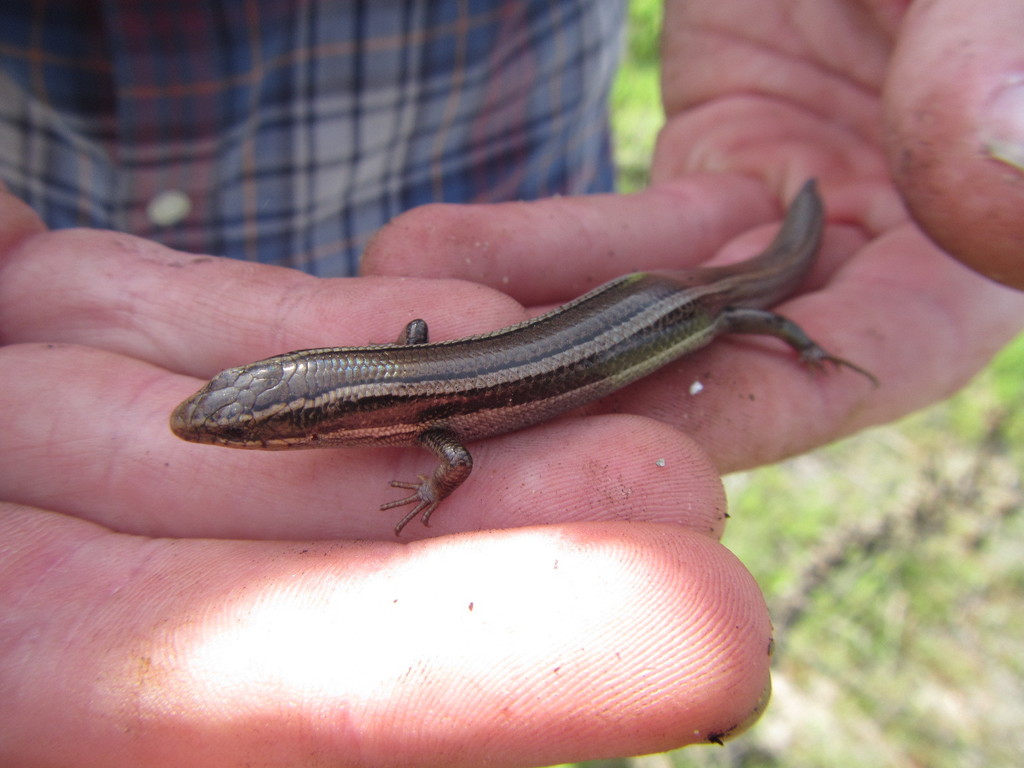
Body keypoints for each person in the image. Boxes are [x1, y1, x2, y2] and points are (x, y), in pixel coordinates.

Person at [1, 2, 1022, 766]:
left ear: (299, 419)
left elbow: (450, 455)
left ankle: (799, 286)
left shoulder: (433, 423)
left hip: (676, 310)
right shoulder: (408, 389)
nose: (230, 429)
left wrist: (430, 491)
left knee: (744, 312)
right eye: (236, 421)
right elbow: (412, 343)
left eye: (240, 424)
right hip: (620, 300)